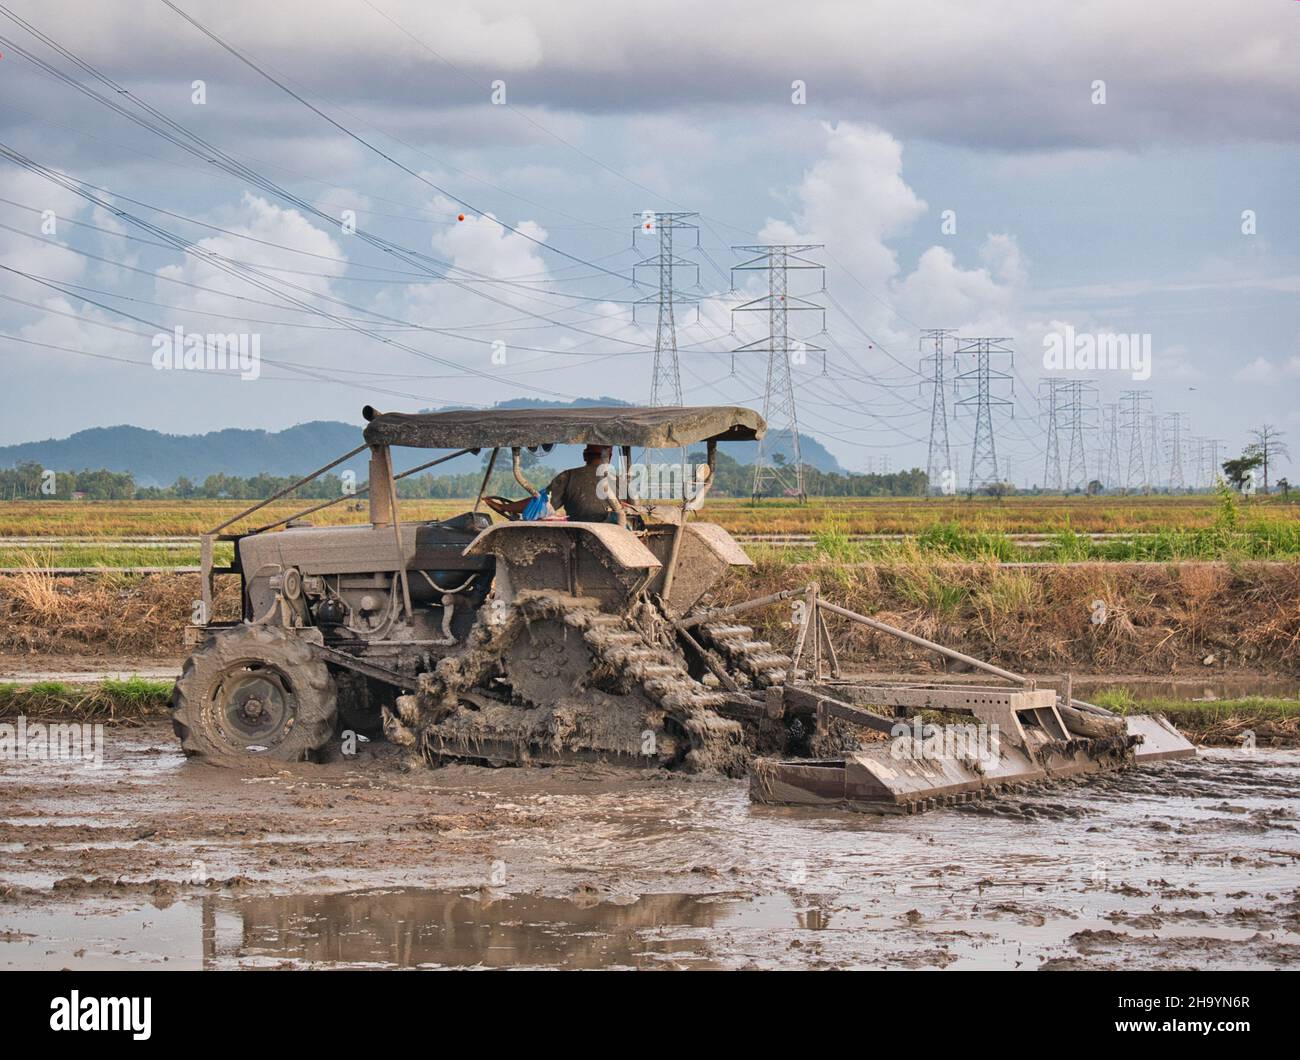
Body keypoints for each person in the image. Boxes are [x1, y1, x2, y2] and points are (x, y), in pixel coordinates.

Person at [486, 445, 624, 522]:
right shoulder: (619, 481)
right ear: (610, 457)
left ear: (584, 456)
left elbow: (541, 504)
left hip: (579, 537)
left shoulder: (569, 477)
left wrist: (504, 507)